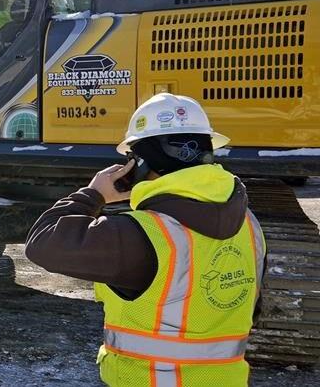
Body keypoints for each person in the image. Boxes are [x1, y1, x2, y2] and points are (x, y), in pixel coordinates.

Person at [25, 93, 265, 386]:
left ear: (139, 163)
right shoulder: (248, 224)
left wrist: (94, 194)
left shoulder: (142, 235)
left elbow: (41, 243)